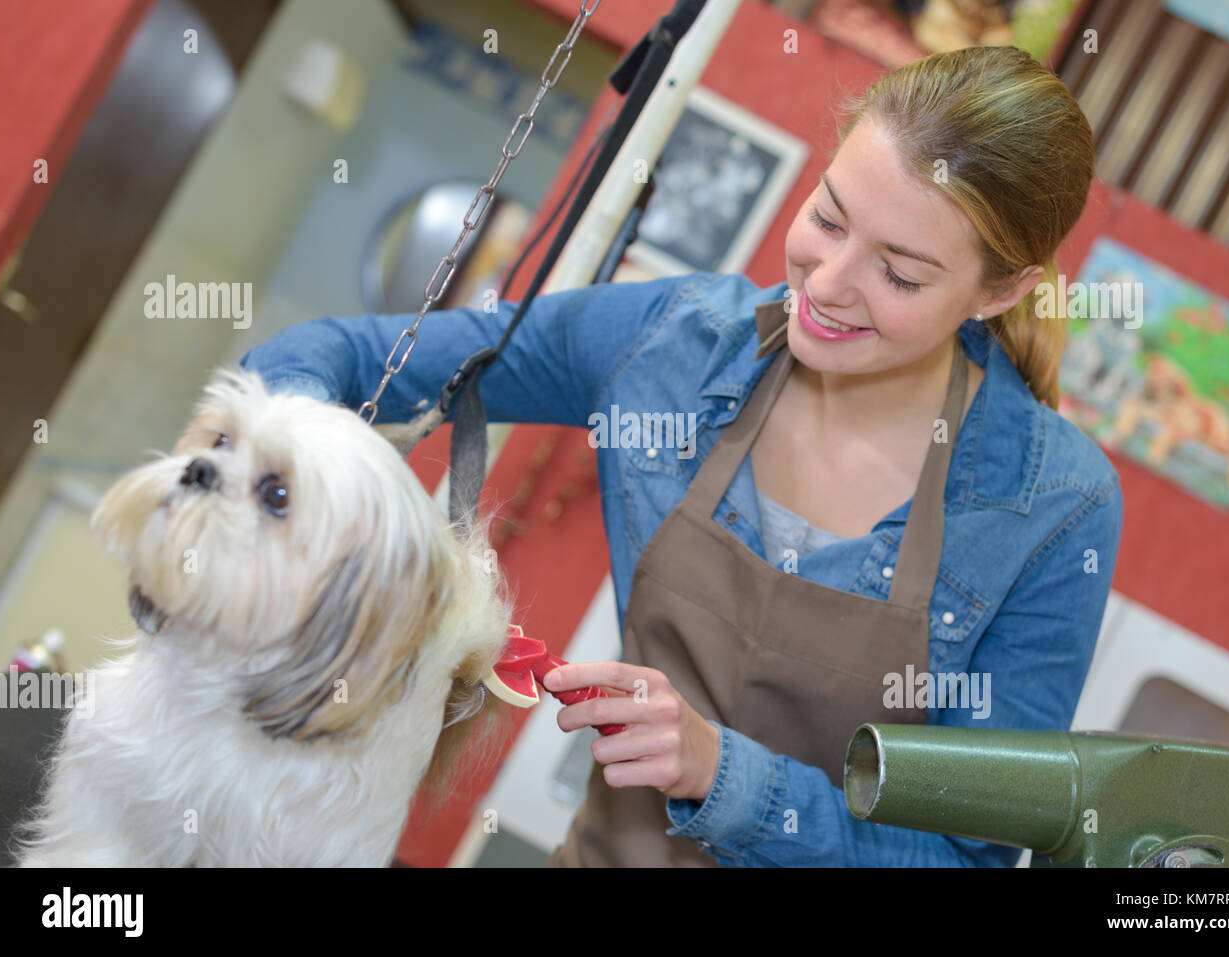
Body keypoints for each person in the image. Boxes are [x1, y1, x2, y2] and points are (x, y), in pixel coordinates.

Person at [240, 44, 1121, 867]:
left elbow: (968, 857)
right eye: (828, 217)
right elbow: (341, 358)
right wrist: (322, 522)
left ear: (999, 290)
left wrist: (721, 773)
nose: (824, 282)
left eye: (899, 273)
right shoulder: (673, 345)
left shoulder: (1054, 506)